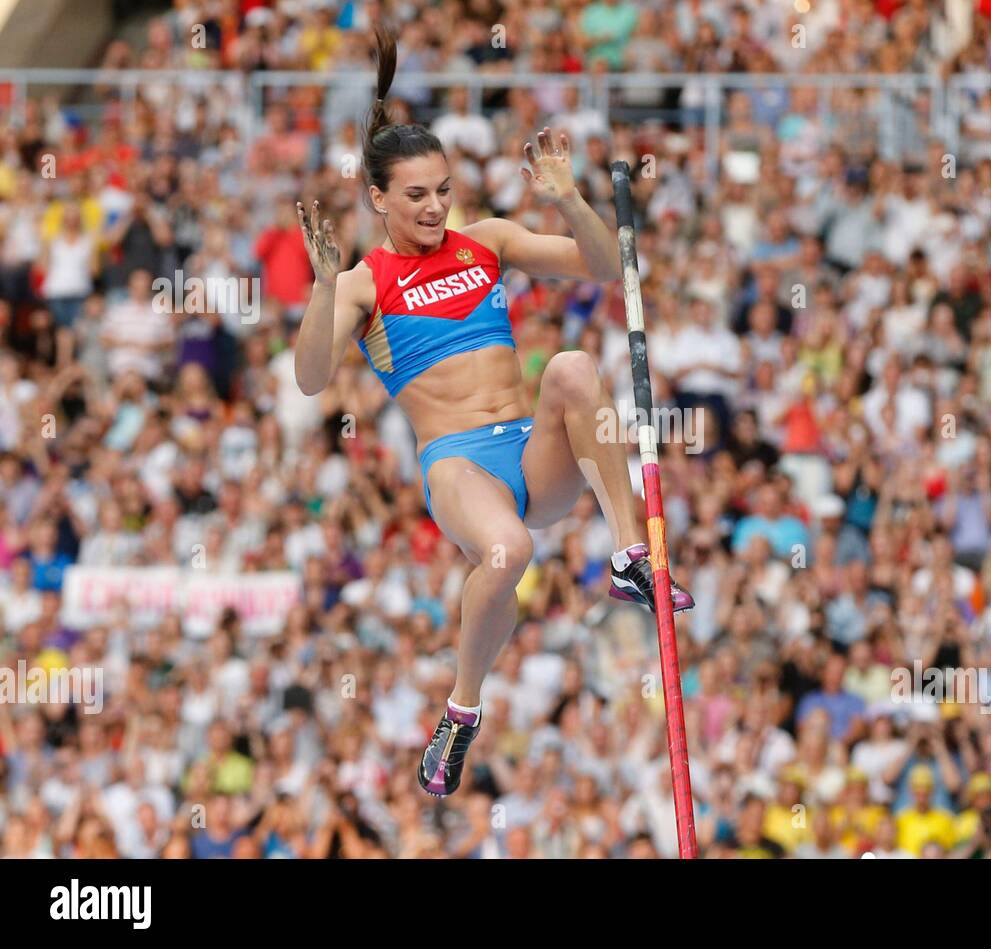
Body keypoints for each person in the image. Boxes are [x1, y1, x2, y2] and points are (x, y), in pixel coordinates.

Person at [292, 27, 692, 799]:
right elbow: (311, 379)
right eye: (416, 195)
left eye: (443, 189)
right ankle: (462, 707)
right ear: (378, 199)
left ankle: (627, 554)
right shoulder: (363, 283)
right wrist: (320, 289)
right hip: (460, 463)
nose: (437, 206)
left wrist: (569, 200)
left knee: (574, 366)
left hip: (535, 454)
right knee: (506, 553)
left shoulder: (488, 241)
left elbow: (612, 270)